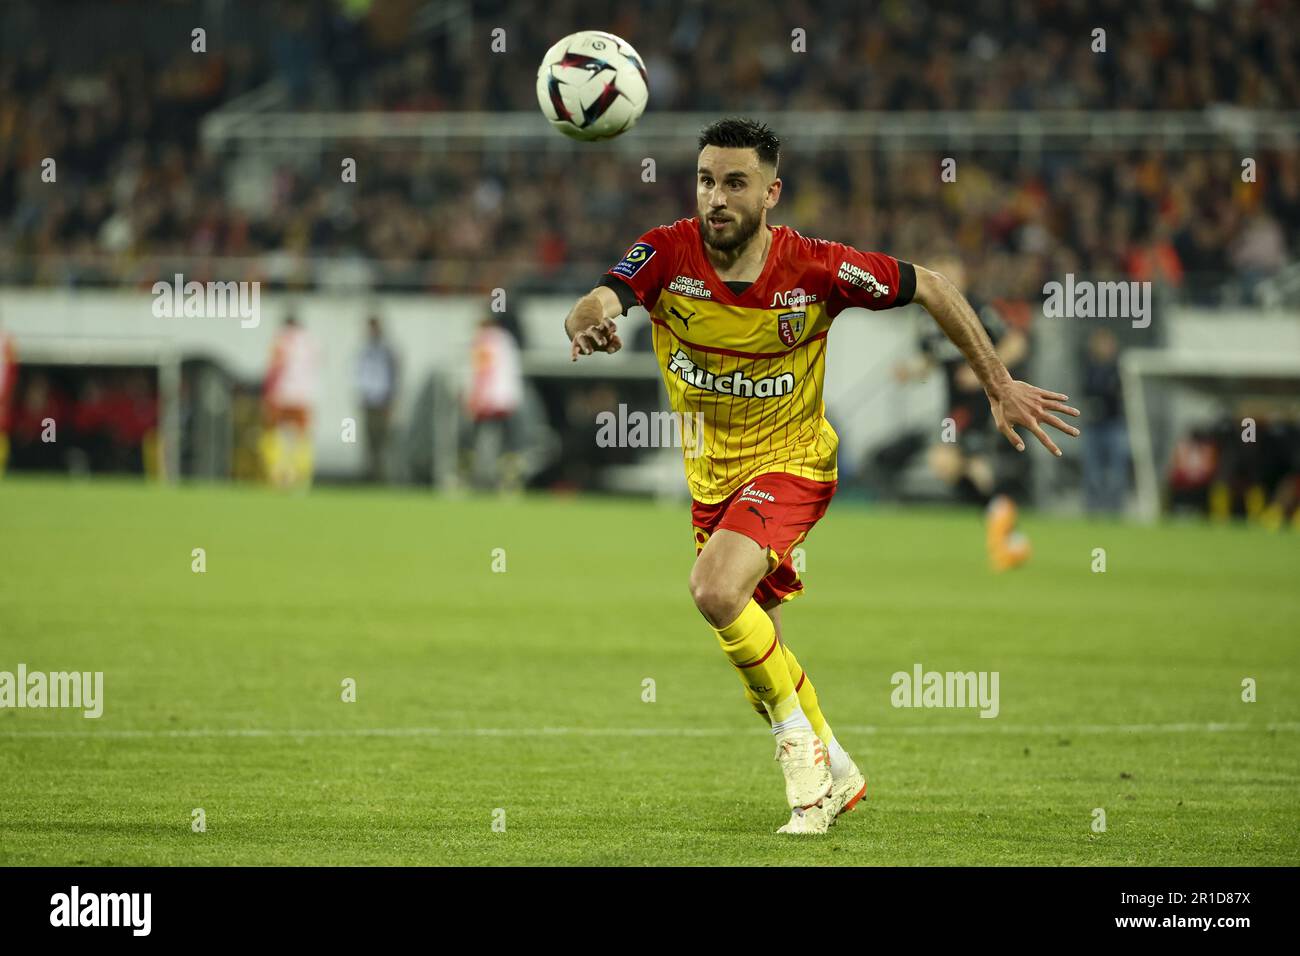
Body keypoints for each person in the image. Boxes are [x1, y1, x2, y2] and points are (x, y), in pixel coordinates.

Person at [563, 118, 1080, 835]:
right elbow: (602, 295)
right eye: (707, 179)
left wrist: (996, 382)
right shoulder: (665, 252)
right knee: (756, 649)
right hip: (713, 481)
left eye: (736, 182)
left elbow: (930, 286)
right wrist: (584, 318)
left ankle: (804, 771)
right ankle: (838, 764)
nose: (717, 196)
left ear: (771, 193)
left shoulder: (816, 268)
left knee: (714, 590)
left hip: (794, 463)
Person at [890, 253, 1034, 569]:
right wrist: (910, 371)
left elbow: (1016, 344)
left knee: (947, 461)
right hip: (953, 406)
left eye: (950, 271)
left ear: (963, 276)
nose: (944, 278)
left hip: (982, 400)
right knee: (965, 467)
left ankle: (1002, 527)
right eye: (937, 271)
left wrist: (984, 370)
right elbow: (930, 359)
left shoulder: (978, 309)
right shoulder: (929, 319)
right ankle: (1006, 531)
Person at [260, 314, 322, 489]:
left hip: (282, 393)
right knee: (302, 438)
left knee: (274, 434)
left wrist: (267, 392)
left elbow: (275, 366)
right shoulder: (311, 341)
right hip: (304, 396)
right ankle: (301, 476)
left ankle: (278, 474)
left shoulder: (281, 339)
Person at [1081, 328, 1129, 514]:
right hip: (1093, 427)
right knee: (1093, 473)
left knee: (1116, 473)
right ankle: (1093, 512)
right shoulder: (1089, 368)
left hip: (1113, 425)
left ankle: (1115, 512)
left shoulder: (1118, 369)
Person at [356, 315, 399, 482]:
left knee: (383, 440)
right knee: (369, 440)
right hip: (368, 400)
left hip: (382, 400)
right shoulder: (365, 349)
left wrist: (391, 400)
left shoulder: (386, 350)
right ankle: (370, 474)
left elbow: (394, 375)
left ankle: (383, 475)